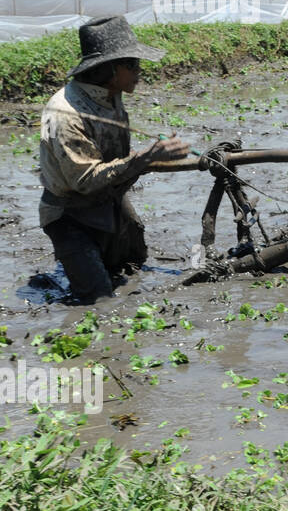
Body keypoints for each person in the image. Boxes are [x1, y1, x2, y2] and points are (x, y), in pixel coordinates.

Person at [39, 16, 191, 303]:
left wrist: (149, 160)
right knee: (98, 299)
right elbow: (84, 181)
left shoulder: (110, 94)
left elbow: (115, 162)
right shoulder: (65, 115)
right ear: (110, 70)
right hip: (70, 212)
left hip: (110, 199)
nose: (139, 71)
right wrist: (146, 157)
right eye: (132, 64)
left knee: (134, 265)